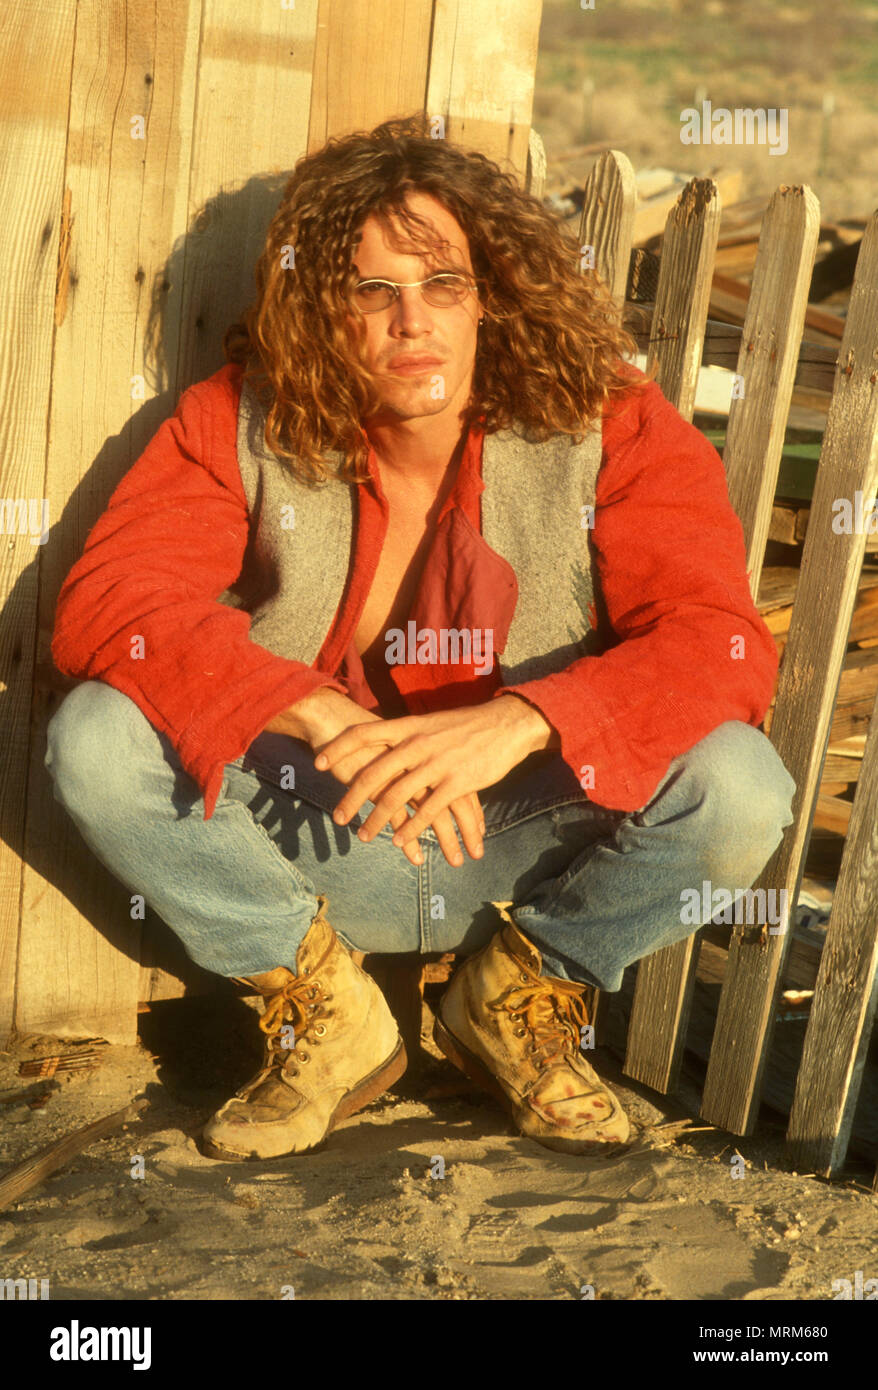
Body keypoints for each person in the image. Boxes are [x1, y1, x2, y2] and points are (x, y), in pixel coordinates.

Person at [45, 113, 795, 1162]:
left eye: (444, 286)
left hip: (516, 842)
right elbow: (111, 603)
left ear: (490, 298)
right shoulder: (237, 420)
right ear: (321, 307)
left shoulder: (609, 423)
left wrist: (523, 719)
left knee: (740, 782)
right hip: (318, 828)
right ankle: (324, 1011)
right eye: (373, 291)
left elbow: (716, 641)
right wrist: (301, 703)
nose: (414, 323)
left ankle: (519, 996)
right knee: (95, 737)